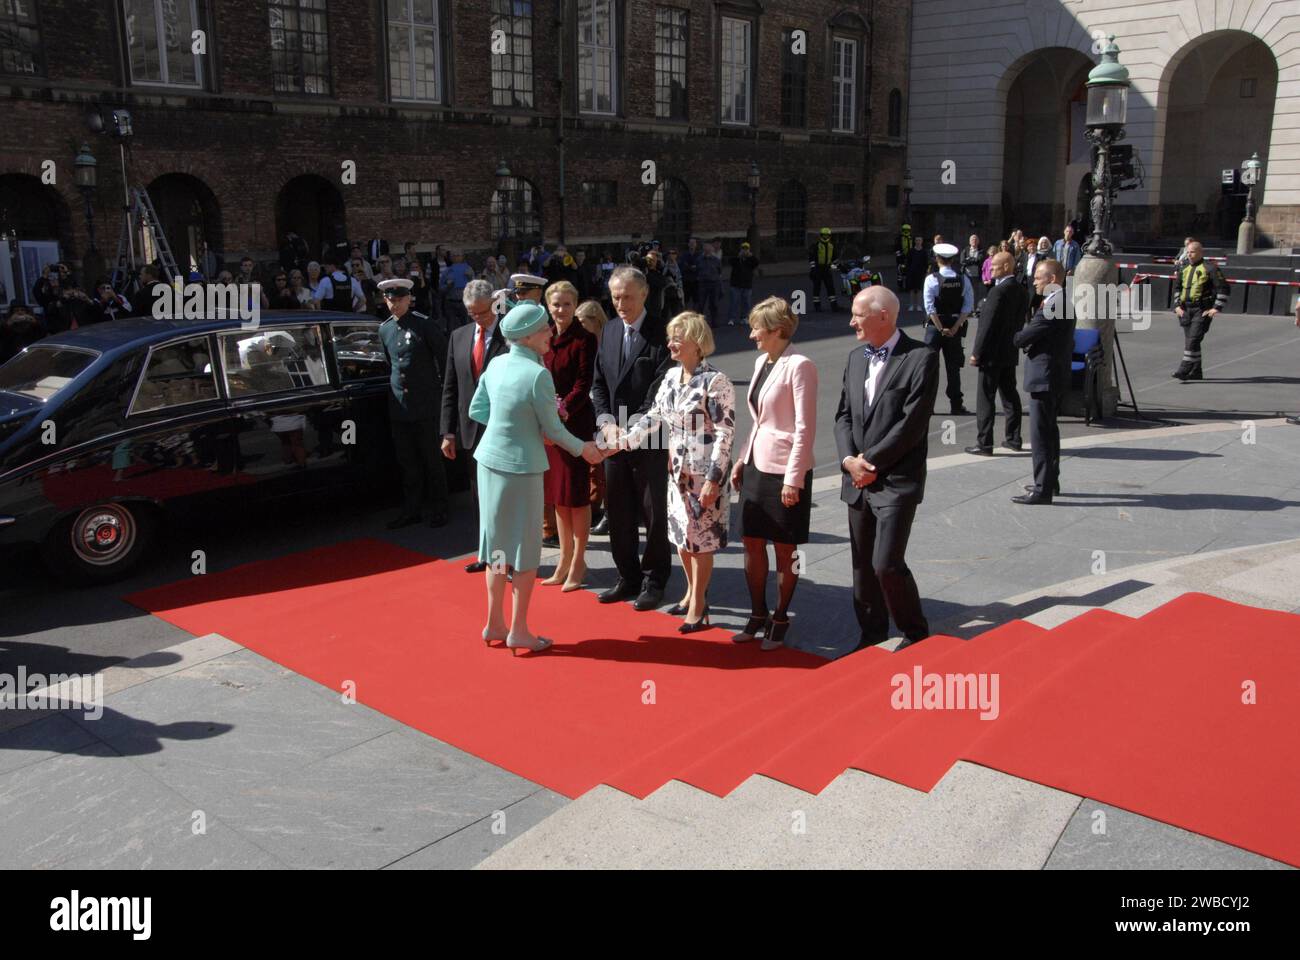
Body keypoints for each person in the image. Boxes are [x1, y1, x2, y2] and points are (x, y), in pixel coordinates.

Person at [469, 301, 605, 654]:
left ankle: (494, 623)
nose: (550, 333)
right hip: (521, 468)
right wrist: (585, 449)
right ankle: (518, 630)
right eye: (544, 328)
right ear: (528, 337)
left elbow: (478, 410)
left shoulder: (497, 364)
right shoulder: (538, 374)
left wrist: (512, 425)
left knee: (496, 546)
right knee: (525, 550)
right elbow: (555, 430)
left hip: (488, 462)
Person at [835, 284, 939, 651]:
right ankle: (871, 636)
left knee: (886, 564)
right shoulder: (854, 358)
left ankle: (915, 633)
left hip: (895, 480)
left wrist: (871, 463)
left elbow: (912, 424)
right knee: (862, 567)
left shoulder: (921, 357)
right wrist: (849, 461)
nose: (851, 322)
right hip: (857, 479)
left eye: (857, 315)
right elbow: (843, 416)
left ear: (883, 316)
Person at [619, 311, 735, 632]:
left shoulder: (715, 382)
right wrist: (628, 439)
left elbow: (725, 434)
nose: (670, 343)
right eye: (670, 337)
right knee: (682, 538)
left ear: (697, 343)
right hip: (675, 473)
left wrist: (714, 478)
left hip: (703, 476)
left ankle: (699, 606)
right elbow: (654, 414)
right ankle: (690, 591)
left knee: (701, 542)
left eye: (677, 338)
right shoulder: (671, 377)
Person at [731, 296, 817, 650]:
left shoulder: (801, 365)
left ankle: (780, 618)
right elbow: (759, 419)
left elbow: (804, 428)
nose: (752, 335)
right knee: (751, 542)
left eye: (757, 328)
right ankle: (757, 614)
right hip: (756, 463)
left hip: (785, 470)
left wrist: (793, 479)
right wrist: (741, 459)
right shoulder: (761, 361)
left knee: (785, 548)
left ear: (778, 331)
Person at [591, 266, 675, 610]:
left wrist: (633, 427)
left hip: (650, 435)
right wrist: (607, 422)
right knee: (619, 509)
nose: (620, 303)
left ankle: (655, 580)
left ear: (643, 294)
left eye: (627, 296)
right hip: (614, 435)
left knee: (653, 512)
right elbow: (598, 383)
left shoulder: (662, 333)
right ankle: (627, 576)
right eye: (615, 297)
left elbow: (659, 389)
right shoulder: (610, 330)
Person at [442, 280, 509, 570]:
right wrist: (447, 431)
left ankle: (507, 559)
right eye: (472, 314)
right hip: (470, 430)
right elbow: (450, 387)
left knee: (504, 498)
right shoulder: (458, 336)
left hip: (503, 428)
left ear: (494, 304)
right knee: (479, 496)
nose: (478, 319)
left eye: (482, 312)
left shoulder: (510, 335)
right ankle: (486, 554)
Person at [377, 277, 450, 528]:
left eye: (398, 299)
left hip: (426, 403)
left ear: (409, 298)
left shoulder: (424, 325)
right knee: (408, 462)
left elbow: (444, 358)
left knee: (432, 459)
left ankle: (439, 507)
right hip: (401, 406)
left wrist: (441, 394)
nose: (393, 304)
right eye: (389, 300)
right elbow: (391, 365)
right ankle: (412, 509)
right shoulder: (385, 329)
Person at [539, 281, 598, 590]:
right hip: (549, 425)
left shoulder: (584, 339)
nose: (560, 309)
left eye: (566, 304)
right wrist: (544, 416)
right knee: (558, 496)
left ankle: (579, 561)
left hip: (574, 423)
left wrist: (561, 412)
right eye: (556, 304)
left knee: (575, 495)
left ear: (575, 306)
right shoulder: (544, 337)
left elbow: (583, 382)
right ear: (548, 306)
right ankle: (563, 559)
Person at [1012, 259, 1074, 504]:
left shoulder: (1054, 304)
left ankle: (1042, 489)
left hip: (1045, 376)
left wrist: (1017, 335)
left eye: (1038, 277)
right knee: (1049, 431)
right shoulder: (1060, 300)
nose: (1034, 280)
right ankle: (1050, 480)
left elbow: (1024, 336)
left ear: (1051, 280)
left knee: (1040, 435)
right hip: (1053, 374)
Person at [965, 252, 1026, 455]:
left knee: (985, 398)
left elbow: (986, 325)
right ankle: (1014, 438)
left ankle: (984, 443)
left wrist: (976, 352)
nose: (991, 269)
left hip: (991, 353)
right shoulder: (1021, 289)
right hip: (1009, 350)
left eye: (995, 266)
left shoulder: (997, 292)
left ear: (1007, 266)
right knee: (1010, 395)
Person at [922, 242, 973, 415]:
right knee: (953, 367)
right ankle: (956, 404)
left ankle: (927, 406)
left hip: (935, 329)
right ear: (952, 260)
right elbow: (967, 308)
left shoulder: (931, 279)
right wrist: (954, 328)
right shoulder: (963, 278)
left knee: (929, 368)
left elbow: (930, 308)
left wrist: (940, 328)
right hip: (954, 326)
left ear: (937, 259)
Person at [1172, 240, 1229, 381]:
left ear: (1200, 252)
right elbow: (1177, 288)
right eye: (1188, 252)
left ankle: (1184, 368)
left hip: (1202, 309)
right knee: (1191, 341)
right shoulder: (1183, 268)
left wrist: (1216, 308)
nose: (1189, 255)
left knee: (1193, 339)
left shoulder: (1210, 268)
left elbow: (1224, 288)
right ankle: (1196, 371)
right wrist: (1177, 306)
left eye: (1193, 252)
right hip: (1185, 310)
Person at [576, 300, 611, 532]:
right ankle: (595, 504)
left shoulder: (607, 343)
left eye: (581, 321)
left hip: (607, 410)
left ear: (595, 320)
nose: (577, 326)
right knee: (592, 460)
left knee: (608, 461)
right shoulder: (581, 344)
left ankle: (610, 510)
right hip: (586, 408)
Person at [728, 242, 760, 326]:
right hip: (735, 284)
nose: (745, 251)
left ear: (749, 250)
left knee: (746, 302)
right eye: (743, 249)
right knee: (734, 302)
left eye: (746, 249)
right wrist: (738, 257)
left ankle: (744, 318)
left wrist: (751, 256)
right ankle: (732, 318)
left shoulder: (751, 260)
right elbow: (730, 262)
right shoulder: (736, 259)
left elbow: (757, 263)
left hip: (747, 284)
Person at [696, 239, 724, 328]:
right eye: (705, 247)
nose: (707, 248)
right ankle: (699, 323)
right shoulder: (699, 259)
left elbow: (719, 272)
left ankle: (714, 322)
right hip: (702, 284)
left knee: (714, 304)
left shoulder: (716, 260)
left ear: (711, 249)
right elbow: (696, 270)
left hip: (714, 284)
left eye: (709, 247)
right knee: (700, 304)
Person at [809, 227, 838, 312]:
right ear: (821, 236)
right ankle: (817, 306)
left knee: (830, 287)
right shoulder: (816, 245)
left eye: (827, 235)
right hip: (818, 269)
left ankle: (834, 305)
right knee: (817, 287)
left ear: (829, 236)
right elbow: (811, 258)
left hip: (827, 269)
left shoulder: (831, 246)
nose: (825, 237)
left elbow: (834, 258)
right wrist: (813, 269)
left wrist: (839, 266)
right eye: (824, 235)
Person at [904, 236, 927, 312]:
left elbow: (926, 263)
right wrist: (908, 271)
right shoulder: (911, 251)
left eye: (919, 240)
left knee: (919, 289)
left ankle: (919, 305)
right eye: (916, 240)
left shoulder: (924, 251)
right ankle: (911, 305)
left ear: (922, 241)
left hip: (920, 273)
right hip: (912, 272)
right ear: (915, 241)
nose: (918, 242)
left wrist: (925, 272)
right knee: (912, 289)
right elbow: (908, 262)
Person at [961, 234, 987, 301]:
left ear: (978, 242)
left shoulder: (981, 251)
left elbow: (979, 260)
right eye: (972, 240)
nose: (974, 241)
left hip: (976, 276)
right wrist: (973, 260)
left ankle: (974, 309)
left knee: (975, 293)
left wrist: (969, 260)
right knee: (965, 291)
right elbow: (962, 261)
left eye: (976, 240)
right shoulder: (965, 250)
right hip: (966, 275)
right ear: (969, 242)